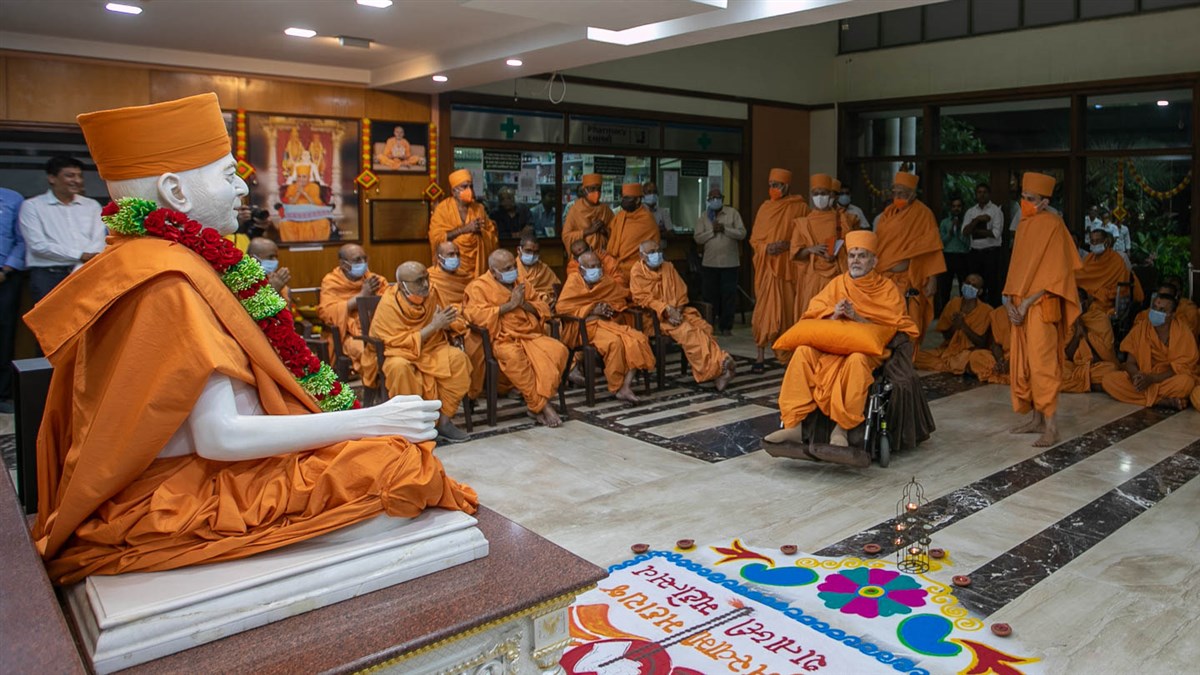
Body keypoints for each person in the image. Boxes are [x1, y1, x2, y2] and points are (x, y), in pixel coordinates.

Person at [27, 93, 475, 585]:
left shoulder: (168, 258)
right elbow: (218, 436)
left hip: (225, 453)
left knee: (401, 456)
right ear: (175, 192)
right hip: (184, 484)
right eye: (225, 174)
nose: (242, 185)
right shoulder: (166, 280)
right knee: (401, 467)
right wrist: (369, 419)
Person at [764, 230, 919, 448]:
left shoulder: (887, 289)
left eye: (862, 255)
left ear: (874, 261)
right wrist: (833, 314)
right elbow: (812, 313)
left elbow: (894, 328)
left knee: (855, 359)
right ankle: (794, 426)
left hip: (865, 352)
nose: (856, 260)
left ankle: (842, 429)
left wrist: (858, 317)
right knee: (802, 353)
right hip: (831, 347)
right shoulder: (837, 283)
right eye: (852, 255)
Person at [1003, 172, 1081, 448]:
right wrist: (1011, 301)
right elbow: (1019, 269)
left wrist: (1026, 303)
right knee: (1025, 364)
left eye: (1031, 199)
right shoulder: (1025, 224)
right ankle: (1036, 419)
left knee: (1043, 365)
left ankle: (1052, 427)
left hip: (1040, 307)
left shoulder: (1053, 225)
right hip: (1020, 306)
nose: (1024, 202)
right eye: (1023, 197)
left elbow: (1056, 275)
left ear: (1045, 202)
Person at [463, 249, 568, 427]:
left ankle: (536, 405)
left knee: (559, 351)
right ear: (493, 270)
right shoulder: (478, 287)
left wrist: (522, 303)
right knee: (515, 358)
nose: (513, 270)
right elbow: (475, 316)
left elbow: (542, 307)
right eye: (507, 268)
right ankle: (543, 406)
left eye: (513, 265)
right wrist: (510, 305)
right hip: (500, 338)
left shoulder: (522, 282)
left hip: (529, 334)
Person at [368, 262, 471, 442]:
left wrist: (449, 322)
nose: (425, 284)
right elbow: (391, 342)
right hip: (400, 353)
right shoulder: (389, 304)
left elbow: (453, 318)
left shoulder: (433, 292)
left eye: (426, 278)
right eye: (418, 281)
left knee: (458, 359)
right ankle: (413, 427)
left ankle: (444, 423)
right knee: (398, 368)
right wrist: (434, 326)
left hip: (432, 348)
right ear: (402, 285)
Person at [630, 240, 735, 390]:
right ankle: (721, 364)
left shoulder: (668, 267)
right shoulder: (637, 271)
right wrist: (667, 311)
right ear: (642, 256)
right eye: (652, 252)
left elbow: (681, 293)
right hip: (655, 318)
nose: (657, 254)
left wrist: (677, 312)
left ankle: (718, 370)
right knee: (687, 332)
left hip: (678, 313)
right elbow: (642, 298)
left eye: (658, 250)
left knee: (703, 327)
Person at [556, 250, 656, 404]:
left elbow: (620, 298)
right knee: (614, 343)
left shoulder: (605, 281)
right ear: (581, 270)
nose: (596, 269)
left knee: (638, 338)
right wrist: (592, 309)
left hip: (605, 324)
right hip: (584, 329)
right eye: (591, 266)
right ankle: (617, 386)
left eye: (598, 265)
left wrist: (608, 307)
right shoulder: (574, 281)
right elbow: (562, 308)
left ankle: (625, 386)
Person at [873, 171, 946, 350]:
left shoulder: (923, 214)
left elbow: (931, 247)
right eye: (895, 193)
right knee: (885, 319)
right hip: (885, 279)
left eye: (902, 194)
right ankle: (887, 356)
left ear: (913, 195)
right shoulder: (887, 214)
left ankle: (908, 358)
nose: (897, 197)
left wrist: (933, 278)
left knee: (911, 319)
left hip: (910, 280)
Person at [18, 155, 106, 303]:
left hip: (87, 272)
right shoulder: (32, 206)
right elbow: (37, 245)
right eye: (70, 176)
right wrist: (80, 255)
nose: (77, 180)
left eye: (79, 176)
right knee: (48, 323)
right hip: (49, 276)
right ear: (52, 178)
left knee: (85, 322)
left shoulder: (92, 205)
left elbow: (99, 239)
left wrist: (84, 262)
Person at [749, 168, 808, 372]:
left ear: (787, 186)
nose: (773, 189)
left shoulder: (799, 207)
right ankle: (760, 355)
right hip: (766, 268)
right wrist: (767, 248)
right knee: (764, 311)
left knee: (787, 309)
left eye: (777, 185)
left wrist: (788, 245)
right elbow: (754, 240)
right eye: (771, 185)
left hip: (787, 267)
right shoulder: (765, 208)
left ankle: (788, 353)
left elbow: (805, 236)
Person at [1100, 293, 1196, 409]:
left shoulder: (1183, 333)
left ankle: (1149, 398)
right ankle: (1162, 401)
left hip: (1166, 380)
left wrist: (1152, 379)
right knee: (1109, 380)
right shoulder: (1141, 328)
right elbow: (1130, 362)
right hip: (1142, 379)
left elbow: (1181, 368)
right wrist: (1136, 376)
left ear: (1172, 315)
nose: (1156, 312)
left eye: (1162, 310)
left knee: (1186, 383)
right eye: (1154, 308)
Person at [318, 243, 389, 378]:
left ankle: (386, 387)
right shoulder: (331, 281)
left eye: (364, 258)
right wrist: (362, 296)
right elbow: (327, 313)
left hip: (378, 331)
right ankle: (373, 386)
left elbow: (389, 307)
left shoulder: (375, 280)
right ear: (343, 264)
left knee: (396, 350)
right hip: (349, 334)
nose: (363, 263)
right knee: (369, 353)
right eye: (357, 260)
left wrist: (372, 297)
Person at [428, 241, 486, 399]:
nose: (455, 258)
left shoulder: (465, 276)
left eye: (457, 254)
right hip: (444, 323)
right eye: (450, 255)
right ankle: (461, 390)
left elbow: (473, 300)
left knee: (478, 339)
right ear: (439, 258)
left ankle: (473, 390)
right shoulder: (430, 278)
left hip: (467, 319)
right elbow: (432, 307)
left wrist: (464, 311)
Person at [1076, 229, 1143, 364]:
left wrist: (1097, 294)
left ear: (1106, 241)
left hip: (1103, 304)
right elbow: (1079, 278)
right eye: (1092, 241)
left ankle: (1102, 354)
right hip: (1084, 300)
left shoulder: (1117, 260)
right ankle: (1081, 352)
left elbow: (1120, 288)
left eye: (1098, 241)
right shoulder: (1088, 259)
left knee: (1096, 317)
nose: (1094, 244)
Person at [790, 173, 849, 321]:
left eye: (823, 193)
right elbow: (795, 253)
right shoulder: (804, 223)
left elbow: (850, 247)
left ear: (831, 195)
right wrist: (810, 249)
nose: (820, 197)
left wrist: (837, 253)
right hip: (812, 277)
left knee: (834, 315)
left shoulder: (841, 220)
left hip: (835, 275)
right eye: (816, 194)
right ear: (811, 196)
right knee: (812, 313)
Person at [914, 273, 992, 374]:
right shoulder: (953, 303)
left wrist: (963, 326)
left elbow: (982, 343)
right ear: (963, 284)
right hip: (949, 351)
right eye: (968, 283)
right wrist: (955, 326)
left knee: (981, 359)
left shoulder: (986, 310)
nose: (969, 287)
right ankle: (956, 366)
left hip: (968, 353)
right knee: (916, 356)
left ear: (980, 291)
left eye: (974, 286)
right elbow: (946, 337)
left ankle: (953, 365)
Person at [693, 186, 745, 336]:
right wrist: (712, 231)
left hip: (730, 263)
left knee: (728, 295)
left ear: (722, 199)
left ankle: (726, 326)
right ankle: (710, 326)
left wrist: (725, 229)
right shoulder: (704, 217)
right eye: (712, 198)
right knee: (710, 296)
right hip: (710, 264)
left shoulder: (732, 213)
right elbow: (698, 238)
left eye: (718, 198)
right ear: (708, 200)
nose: (715, 200)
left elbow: (742, 233)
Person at [429, 169, 499, 278]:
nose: (469, 190)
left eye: (471, 186)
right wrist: (463, 230)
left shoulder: (478, 209)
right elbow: (436, 238)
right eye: (464, 187)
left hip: (477, 265)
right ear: (454, 191)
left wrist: (482, 233)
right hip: (452, 265)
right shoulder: (443, 209)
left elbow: (492, 235)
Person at [1060, 289, 1118, 394]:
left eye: (1077, 301)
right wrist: (1077, 335)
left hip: (1095, 366)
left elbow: (1105, 356)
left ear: (1086, 302)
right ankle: (1094, 385)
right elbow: (1066, 355)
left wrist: (1085, 333)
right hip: (1073, 366)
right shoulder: (1066, 322)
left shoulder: (1100, 318)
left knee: (1111, 370)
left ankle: (1081, 383)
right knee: (1055, 370)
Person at [0, 187, 25, 412]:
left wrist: (6, 269)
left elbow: (20, 240)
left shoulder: (11, 198)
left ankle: (2, 394)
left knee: (4, 334)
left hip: (4, 276)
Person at [961, 183, 1005, 307]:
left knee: (992, 285)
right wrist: (977, 220)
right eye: (979, 192)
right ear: (976, 194)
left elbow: (996, 233)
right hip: (975, 253)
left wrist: (974, 230)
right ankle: (976, 313)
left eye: (985, 192)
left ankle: (992, 314)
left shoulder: (995, 211)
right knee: (974, 285)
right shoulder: (971, 212)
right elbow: (964, 232)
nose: (982, 194)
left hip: (991, 253)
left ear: (989, 194)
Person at [607, 183, 660, 280]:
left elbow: (653, 246)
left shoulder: (647, 219)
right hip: (616, 268)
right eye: (623, 198)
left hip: (637, 269)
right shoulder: (621, 215)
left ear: (637, 200)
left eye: (627, 198)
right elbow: (612, 235)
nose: (623, 201)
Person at [278, 165, 332, 242]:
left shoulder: (314, 187)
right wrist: (298, 193)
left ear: (308, 177)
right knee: (284, 223)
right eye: (299, 177)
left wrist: (305, 194)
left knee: (323, 222)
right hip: (295, 213)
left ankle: (317, 245)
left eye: (304, 177)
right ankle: (292, 246)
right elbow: (291, 203)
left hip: (311, 212)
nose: (301, 179)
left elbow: (315, 204)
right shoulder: (292, 187)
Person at [561, 173, 612, 253]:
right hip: (582, 257)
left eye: (598, 189)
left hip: (604, 256)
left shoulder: (606, 210)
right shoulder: (575, 209)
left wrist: (604, 231)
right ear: (584, 190)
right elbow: (566, 237)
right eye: (592, 189)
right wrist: (588, 231)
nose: (596, 192)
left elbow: (616, 235)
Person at [937, 197, 971, 313]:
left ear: (962, 208)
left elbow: (968, 243)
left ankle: (964, 311)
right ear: (950, 208)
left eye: (959, 206)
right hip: (948, 256)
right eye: (954, 206)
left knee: (964, 286)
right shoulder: (945, 222)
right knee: (945, 287)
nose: (956, 209)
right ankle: (945, 313)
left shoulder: (966, 223)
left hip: (962, 257)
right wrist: (950, 232)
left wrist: (959, 231)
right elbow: (940, 242)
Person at [246, 236, 295, 314]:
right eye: (271, 257)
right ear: (253, 259)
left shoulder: (283, 287)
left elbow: (287, 317)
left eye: (276, 257)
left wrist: (278, 291)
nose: (275, 261)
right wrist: (272, 291)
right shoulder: (242, 284)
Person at [967, 304, 1013, 385]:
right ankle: (1000, 370)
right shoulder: (998, 313)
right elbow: (995, 344)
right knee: (976, 356)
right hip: (1004, 357)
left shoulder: (1028, 311)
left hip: (1020, 359)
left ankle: (1004, 372)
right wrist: (1001, 360)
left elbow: (1030, 348)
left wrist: (1010, 362)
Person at [516, 234, 561, 306]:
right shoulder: (511, 267)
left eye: (535, 252)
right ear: (519, 250)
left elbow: (556, 290)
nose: (532, 255)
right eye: (528, 251)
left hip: (542, 306)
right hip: (520, 305)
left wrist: (544, 297)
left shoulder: (544, 268)